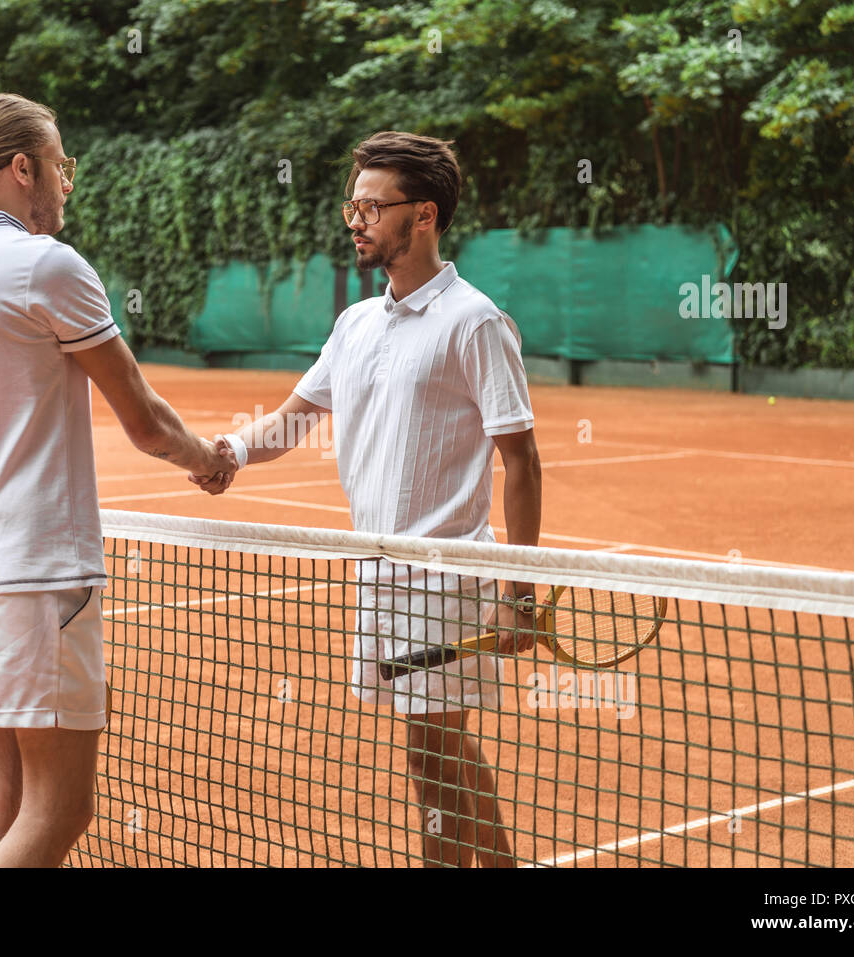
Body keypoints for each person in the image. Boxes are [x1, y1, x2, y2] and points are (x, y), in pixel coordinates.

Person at [0, 92, 236, 868]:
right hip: (41, 575)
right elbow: (145, 419)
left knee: (1, 800)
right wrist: (208, 461)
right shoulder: (47, 266)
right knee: (61, 809)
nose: (65, 183)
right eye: (60, 165)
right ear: (21, 168)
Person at [194, 131, 541, 867]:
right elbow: (296, 414)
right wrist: (232, 452)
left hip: (447, 574)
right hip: (376, 571)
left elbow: (522, 458)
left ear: (422, 216)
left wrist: (520, 591)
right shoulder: (355, 323)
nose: (355, 219)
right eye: (351, 205)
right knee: (436, 748)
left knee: (432, 753)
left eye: (370, 206)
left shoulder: (475, 321)